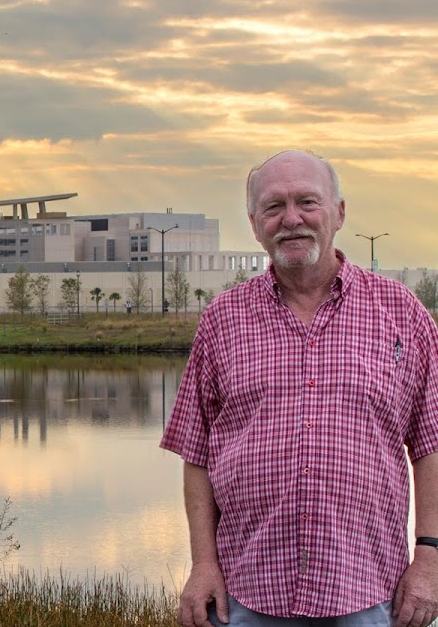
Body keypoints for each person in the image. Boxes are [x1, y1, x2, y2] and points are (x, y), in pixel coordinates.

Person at [160, 150, 438, 626]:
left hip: (371, 593)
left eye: (307, 202)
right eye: (274, 207)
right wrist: (203, 563)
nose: (292, 219)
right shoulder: (222, 321)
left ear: (339, 212)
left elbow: (431, 447)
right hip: (247, 594)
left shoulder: (403, 315)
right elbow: (197, 452)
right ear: (254, 223)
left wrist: (430, 559)